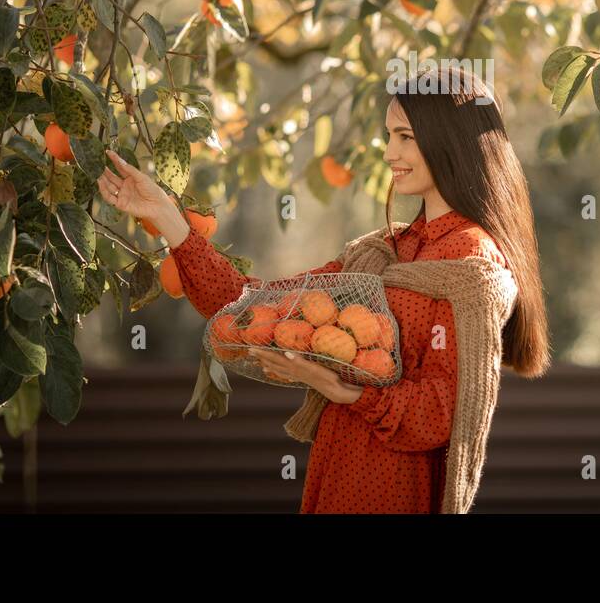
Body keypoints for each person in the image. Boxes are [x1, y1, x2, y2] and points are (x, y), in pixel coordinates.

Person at [97, 71, 549, 512]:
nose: (390, 151)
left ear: (449, 140)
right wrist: (167, 218)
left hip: (396, 487)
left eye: (405, 137)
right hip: (337, 468)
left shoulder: (472, 262)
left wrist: (345, 391)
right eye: (389, 135)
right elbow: (252, 306)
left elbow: (441, 411)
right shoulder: (379, 252)